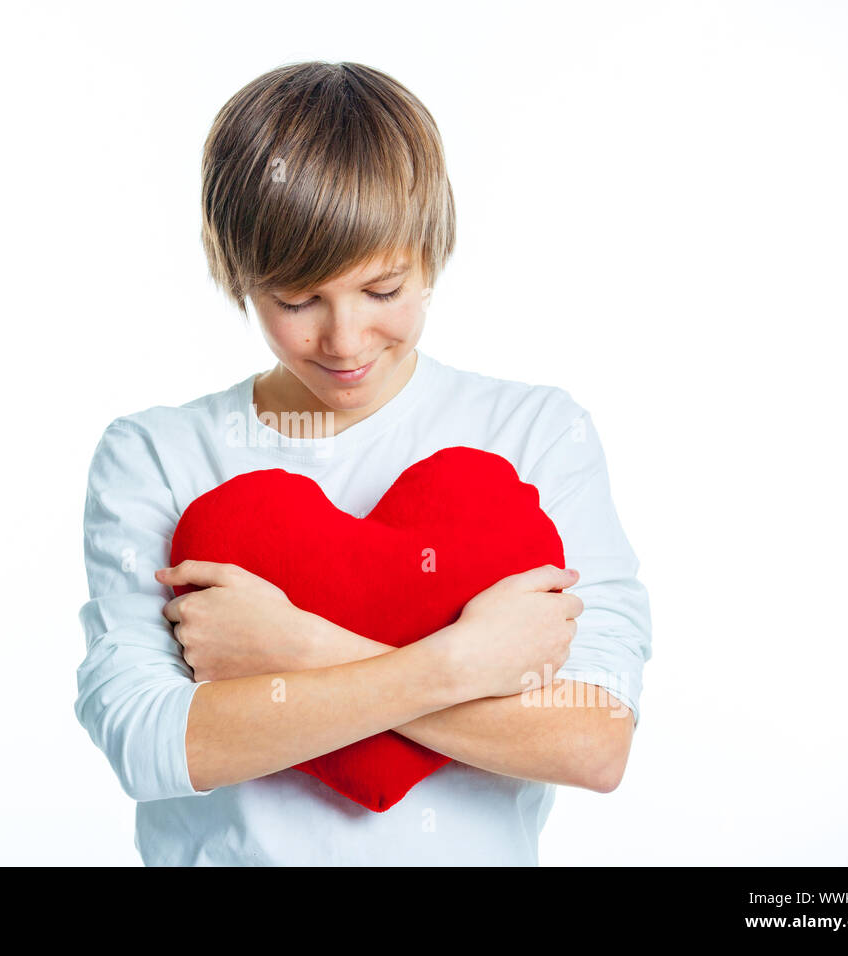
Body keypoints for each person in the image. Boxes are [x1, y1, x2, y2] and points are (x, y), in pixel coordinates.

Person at [75, 61, 652, 866]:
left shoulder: (535, 433)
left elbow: (592, 742)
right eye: (298, 301)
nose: (344, 341)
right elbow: (149, 745)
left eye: (383, 290)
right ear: (239, 278)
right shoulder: (157, 455)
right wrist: (466, 665)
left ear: (433, 252)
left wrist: (296, 649)